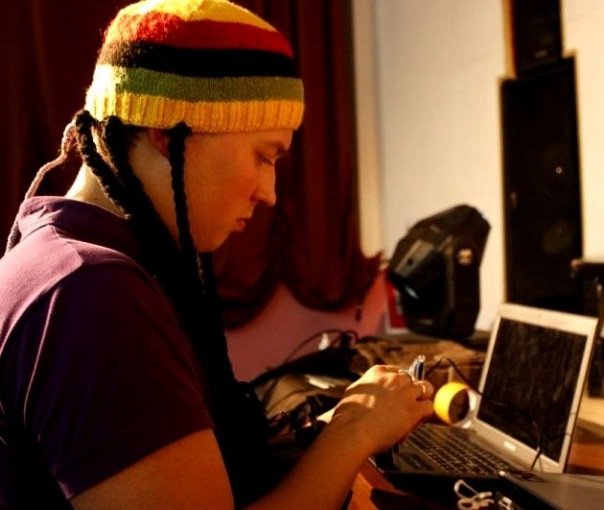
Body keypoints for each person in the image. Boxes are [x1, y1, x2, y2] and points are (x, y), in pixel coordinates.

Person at [0, 0, 434, 508]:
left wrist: (335, 426)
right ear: (169, 135)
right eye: (263, 155)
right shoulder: (89, 294)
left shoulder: (71, 260)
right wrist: (352, 436)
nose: (269, 192)